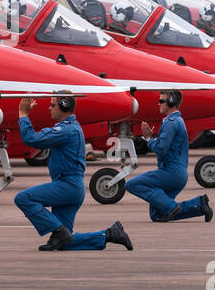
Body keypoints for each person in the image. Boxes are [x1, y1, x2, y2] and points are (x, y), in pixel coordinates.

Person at [14, 91, 132, 251]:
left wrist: (23, 114)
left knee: (23, 198)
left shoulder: (65, 130)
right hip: (71, 187)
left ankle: (58, 231)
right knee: (65, 242)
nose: (49, 108)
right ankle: (110, 234)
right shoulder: (70, 128)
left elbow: (31, 139)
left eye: (53, 104)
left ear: (64, 106)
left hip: (66, 187)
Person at [125, 89, 213, 222]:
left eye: (161, 101)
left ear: (171, 102)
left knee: (132, 184)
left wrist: (149, 139)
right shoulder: (178, 120)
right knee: (157, 215)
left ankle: (170, 206)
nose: (158, 104)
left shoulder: (170, 123)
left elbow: (161, 150)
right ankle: (199, 205)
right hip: (179, 174)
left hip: (170, 173)